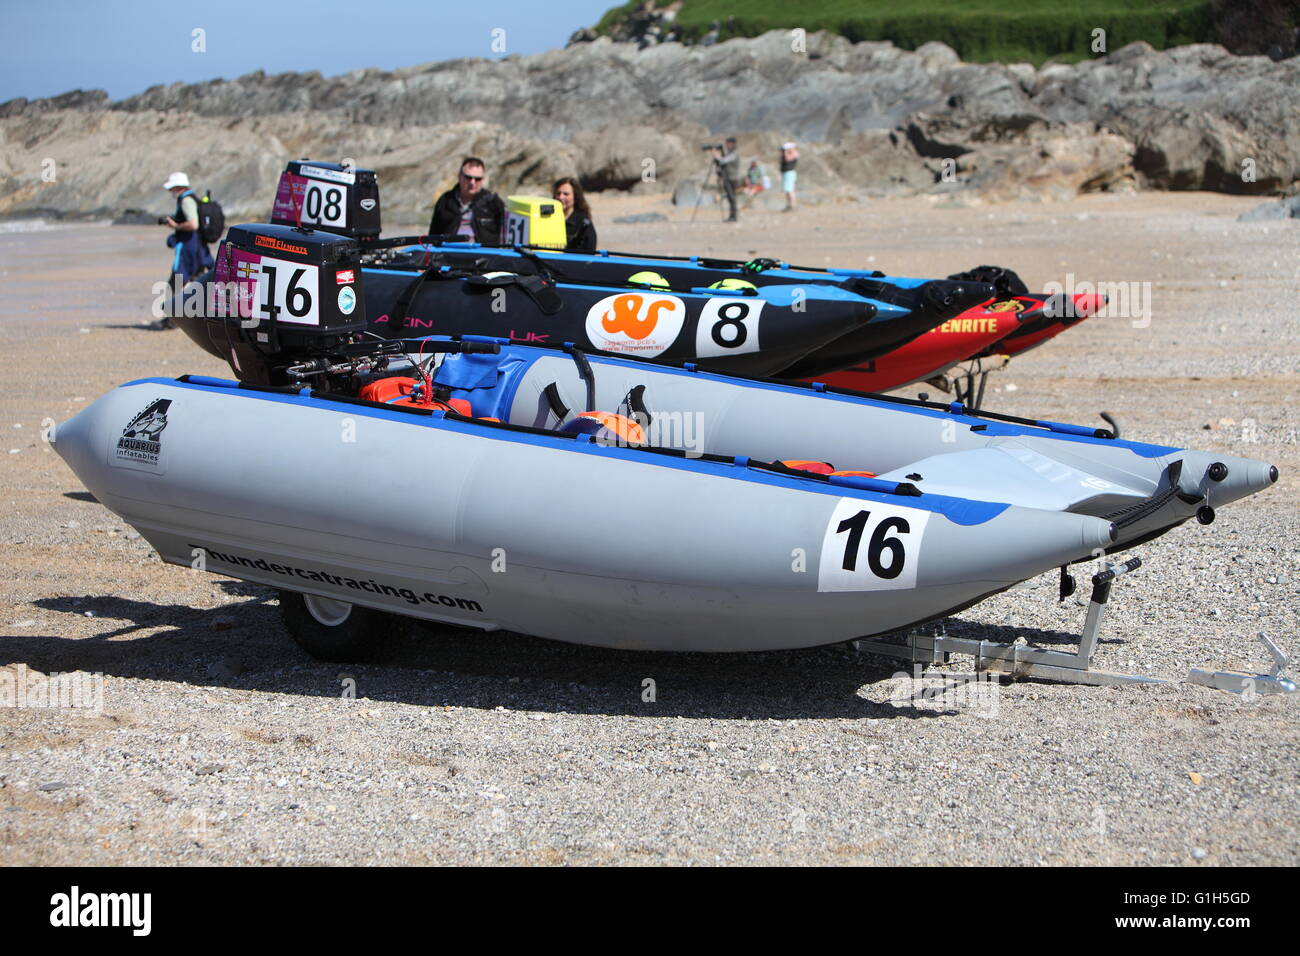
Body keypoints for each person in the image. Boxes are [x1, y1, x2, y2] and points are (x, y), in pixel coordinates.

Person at [156, 171, 212, 329]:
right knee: (199, 283)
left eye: (171, 188)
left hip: (189, 248)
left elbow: (193, 224)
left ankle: (172, 319)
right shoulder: (191, 198)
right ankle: (196, 319)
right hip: (197, 249)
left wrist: (176, 225)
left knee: (175, 283)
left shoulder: (186, 200)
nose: (170, 191)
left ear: (178, 187)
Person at [428, 156, 506, 243]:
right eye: (468, 177)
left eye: (477, 179)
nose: (472, 182)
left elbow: (504, 234)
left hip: (483, 251)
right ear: (459, 176)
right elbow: (433, 234)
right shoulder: (446, 201)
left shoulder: (493, 202)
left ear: (483, 180)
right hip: (449, 250)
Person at [553, 177, 598, 252]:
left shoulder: (583, 223)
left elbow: (589, 251)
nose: (561, 197)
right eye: (558, 193)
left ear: (575, 196)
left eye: (566, 194)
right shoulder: (547, 218)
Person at [711, 137, 741, 222]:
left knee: (732, 197)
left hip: (732, 178)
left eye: (728, 143)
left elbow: (723, 161)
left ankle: (733, 217)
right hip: (728, 177)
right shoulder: (730, 153)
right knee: (730, 197)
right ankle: (732, 216)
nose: (727, 145)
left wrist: (716, 156)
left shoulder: (734, 154)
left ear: (733, 144)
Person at [780, 141, 799, 212]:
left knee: (790, 190)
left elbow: (787, 159)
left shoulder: (794, 153)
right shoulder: (788, 153)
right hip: (786, 173)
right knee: (787, 190)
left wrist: (786, 151)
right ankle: (789, 205)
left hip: (789, 173)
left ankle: (793, 205)